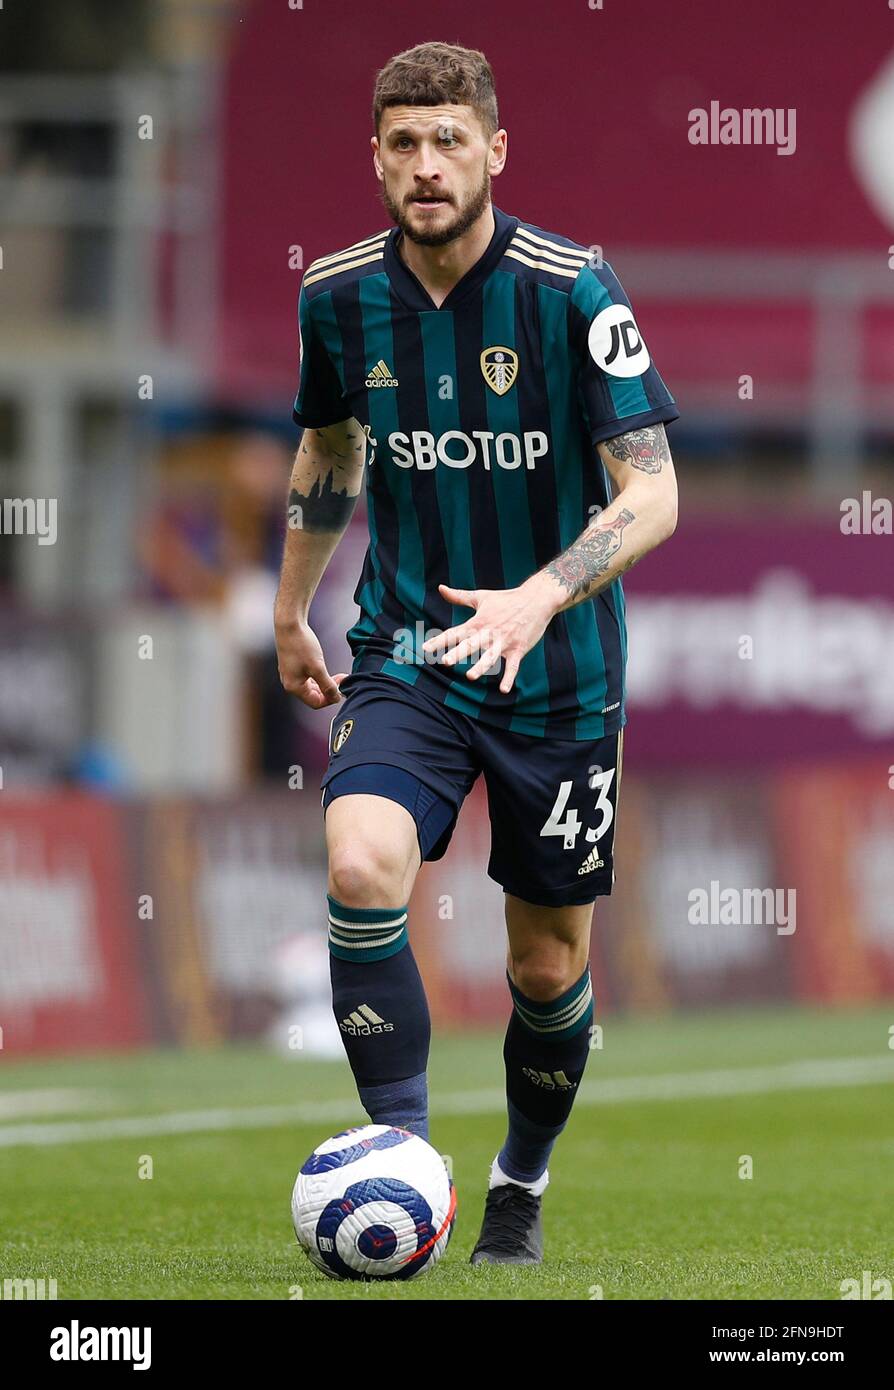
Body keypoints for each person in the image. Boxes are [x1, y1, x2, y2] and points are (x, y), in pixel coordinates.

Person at [275, 41, 679, 1266]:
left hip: (559, 677)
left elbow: (654, 491)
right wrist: (290, 606)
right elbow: (331, 452)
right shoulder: (337, 298)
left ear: (496, 150)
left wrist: (539, 597)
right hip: (408, 651)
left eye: (450, 139)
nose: (426, 164)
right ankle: (404, 1149)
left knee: (545, 965)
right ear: (376, 159)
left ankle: (519, 1178)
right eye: (403, 142)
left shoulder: (573, 293)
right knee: (359, 864)